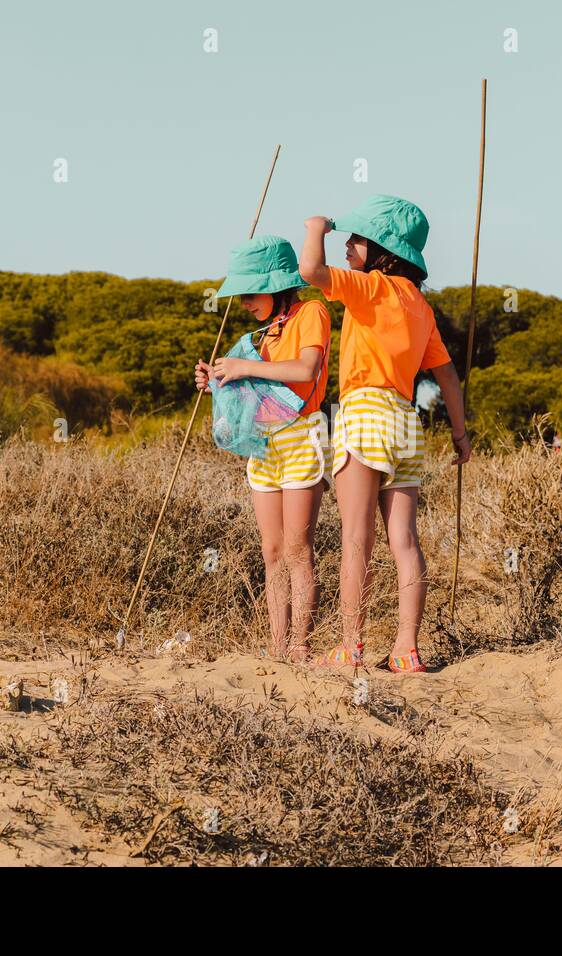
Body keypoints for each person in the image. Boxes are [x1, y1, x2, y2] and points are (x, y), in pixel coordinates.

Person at [298, 195, 471, 673]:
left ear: (382, 251)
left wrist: (318, 227)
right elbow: (448, 378)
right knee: (405, 541)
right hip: (406, 423)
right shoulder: (421, 307)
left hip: (365, 413)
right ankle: (406, 648)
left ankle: (351, 645)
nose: (348, 245)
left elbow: (311, 271)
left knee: (356, 538)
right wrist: (460, 435)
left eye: (357, 238)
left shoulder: (371, 288)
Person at [195, 236, 332, 662]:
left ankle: (300, 646)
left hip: (301, 438)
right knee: (271, 551)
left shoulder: (312, 312)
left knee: (297, 549)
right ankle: (277, 646)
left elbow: (307, 370)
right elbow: (259, 392)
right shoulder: (263, 332)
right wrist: (218, 380)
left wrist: (244, 366)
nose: (245, 303)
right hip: (264, 444)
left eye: (251, 293)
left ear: (275, 286)